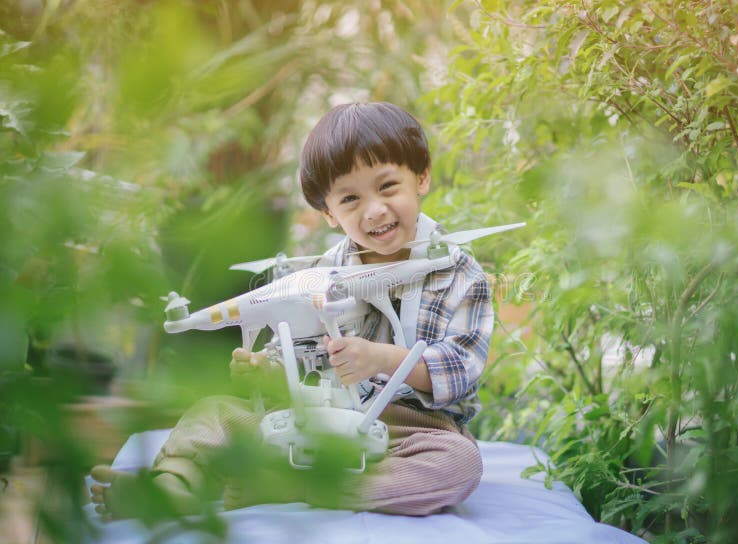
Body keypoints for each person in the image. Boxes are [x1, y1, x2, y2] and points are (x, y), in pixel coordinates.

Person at [90, 101, 494, 519]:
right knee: (214, 413)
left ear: (421, 177)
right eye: (350, 199)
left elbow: (461, 369)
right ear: (328, 213)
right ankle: (173, 485)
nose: (374, 210)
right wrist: (269, 369)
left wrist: (380, 359)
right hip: (323, 414)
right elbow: (303, 354)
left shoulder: (458, 272)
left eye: (388, 186)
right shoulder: (321, 273)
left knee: (458, 463)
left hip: (409, 429)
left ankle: (296, 485)